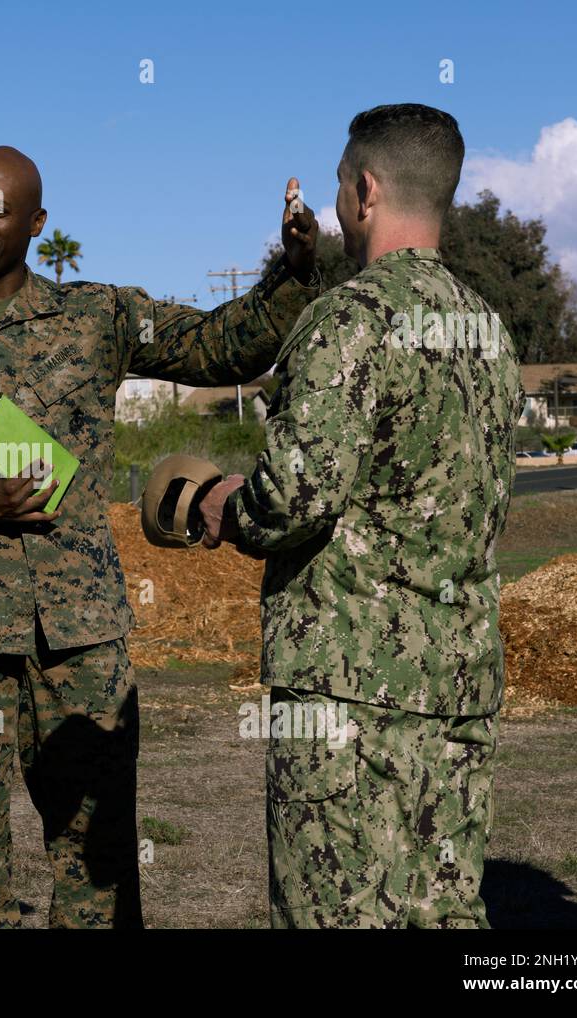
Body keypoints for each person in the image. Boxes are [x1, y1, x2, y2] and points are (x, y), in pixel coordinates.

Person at [0, 145, 320, 927]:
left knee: (98, 873)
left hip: (80, 643)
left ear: (37, 223)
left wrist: (291, 272)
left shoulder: (98, 316)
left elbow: (221, 345)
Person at [199, 103, 523, 928]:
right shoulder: (489, 333)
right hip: (459, 685)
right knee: (444, 912)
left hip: (348, 691)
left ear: (366, 190)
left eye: (341, 186)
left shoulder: (350, 319)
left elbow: (291, 498)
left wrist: (219, 504)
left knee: (335, 913)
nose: (339, 205)